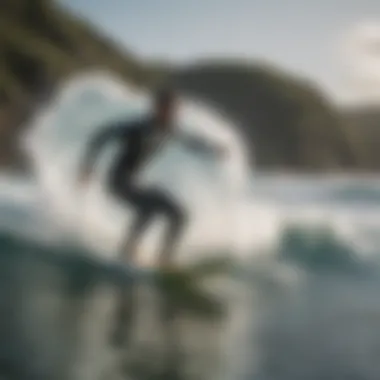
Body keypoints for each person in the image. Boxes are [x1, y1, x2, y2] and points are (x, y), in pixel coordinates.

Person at [77, 88, 228, 346]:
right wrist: (88, 165)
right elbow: (101, 135)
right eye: (167, 108)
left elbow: (191, 143)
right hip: (117, 182)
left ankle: (164, 258)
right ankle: (128, 249)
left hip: (135, 182)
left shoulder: (170, 130)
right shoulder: (136, 127)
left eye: (175, 109)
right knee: (149, 207)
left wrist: (212, 149)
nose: (172, 114)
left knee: (179, 214)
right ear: (156, 108)